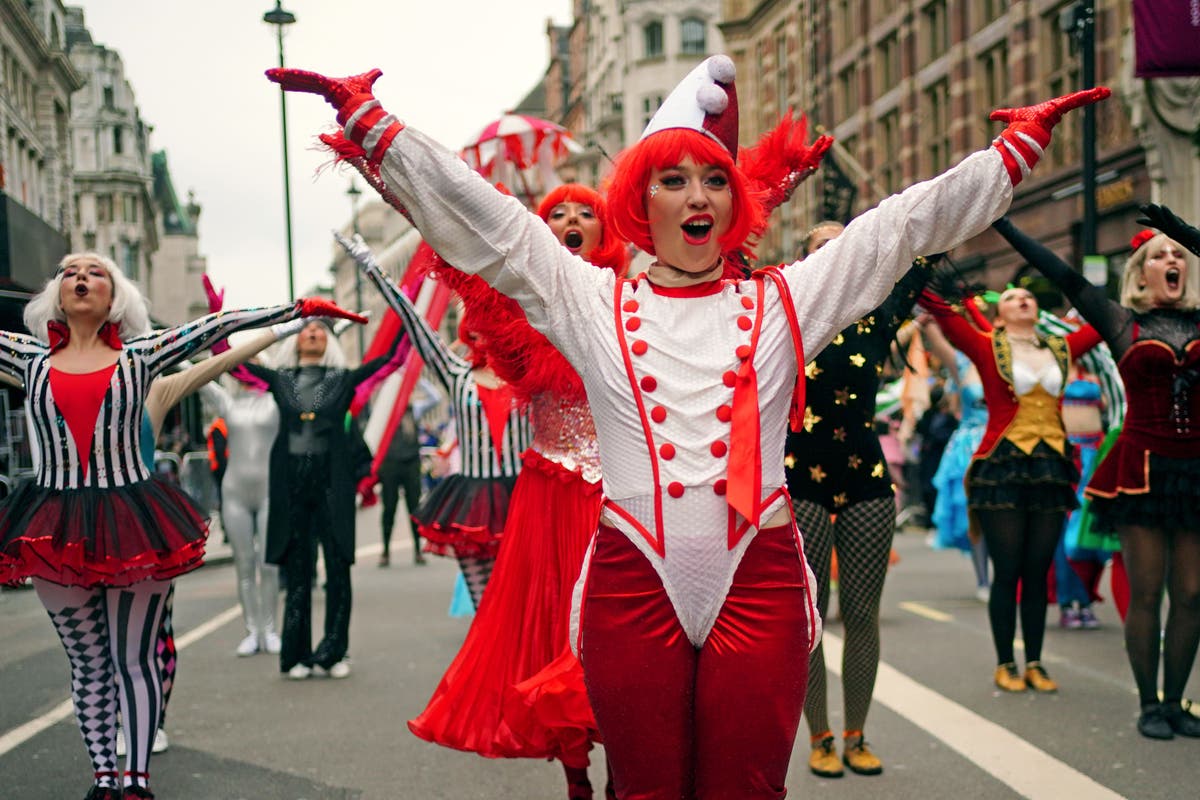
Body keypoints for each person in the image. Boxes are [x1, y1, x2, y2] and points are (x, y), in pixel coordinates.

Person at [270, 56, 1104, 798]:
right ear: (640, 201)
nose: (696, 195)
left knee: (747, 787)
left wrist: (1014, 151)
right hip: (632, 577)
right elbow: (489, 222)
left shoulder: (786, 300)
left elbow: (900, 226)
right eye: (672, 179)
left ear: (734, 200)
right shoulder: (591, 303)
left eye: (712, 179)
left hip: (760, 575)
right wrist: (372, 123)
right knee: (644, 788)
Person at [0, 251, 355, 800]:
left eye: (95, 272)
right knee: (88, 664)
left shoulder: (142, 357)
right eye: (70, 272)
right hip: (55, 525)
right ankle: (104, 781)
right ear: (56, 295)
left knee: (135, 658)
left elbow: (217, 327)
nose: (81, 278)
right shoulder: (28, 358)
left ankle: (136, 782)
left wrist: (295, 310)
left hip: (133, 520)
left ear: (115, 297)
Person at [372, 184, 629, 800]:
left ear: (607, 230)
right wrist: (412, 198)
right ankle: (577, 778)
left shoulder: (630, 301)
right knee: (551, 636)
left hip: (620, 495)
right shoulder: (514, 311)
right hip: (547, 495)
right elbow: (463, 271)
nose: (571, 220)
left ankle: (625, 776)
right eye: (557, 214)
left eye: (586, 212)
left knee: (620, 633)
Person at [993, 208, 1200, 739]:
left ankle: (1176, 702)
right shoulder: (1122, 322)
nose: (1172, 260)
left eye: (1178, 255)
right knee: (1147, 591)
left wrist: (1186, 235)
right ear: (1141, 273)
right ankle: (1150, 705)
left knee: (1192, 594)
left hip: (1195, 469)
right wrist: (1005, 225)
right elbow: (1063, 275)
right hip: (1142, 468)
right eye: (1160, 255)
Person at [785, 220, 936, 778]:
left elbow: (928, 243)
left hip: (867, 479)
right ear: (803, 261)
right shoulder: (785, 313)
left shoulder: (881, 311)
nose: (837, 252)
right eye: (822, 245)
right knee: (811, 614)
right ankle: (820, 736)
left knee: (862, 614)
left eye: (845, 243)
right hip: (801, 477)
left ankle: (856, 734)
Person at [921, 270, 1102, 694]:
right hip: (1001, 467)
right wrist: (927, 272)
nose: (1023, 299)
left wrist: (1080, 283)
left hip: (1051, 468)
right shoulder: (987, 346)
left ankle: (1034, 662)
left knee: (1037, 571)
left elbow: (1101, 321)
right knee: (1008, 570)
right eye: (1012, 297)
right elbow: (942, 314)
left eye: (1028, 296)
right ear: (999, 315)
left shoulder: (1062, 347)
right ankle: (1006, 662)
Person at [336, 236, 532, 610]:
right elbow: (414, 323)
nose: (486, 329)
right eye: (478, 322)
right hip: (473, 500)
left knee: (523, 603)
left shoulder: (526, 374)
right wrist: (373, 269)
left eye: (494, 320)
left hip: (525, 497)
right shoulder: (456, 374)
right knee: (485, 606)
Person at [241, 314, 401, 680]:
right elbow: (233, 364)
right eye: (306, 328)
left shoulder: (343, 379)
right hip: (292, 483)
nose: (313, 331)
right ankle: (295, 655)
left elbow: (393, 359)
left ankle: (333, 652)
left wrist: (403, 311)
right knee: (297, 570)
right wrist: (229, 323)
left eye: (320, 329)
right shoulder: (280, 379)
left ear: (329, 341)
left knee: (338, 567)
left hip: (332, 483)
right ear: (295, 340)